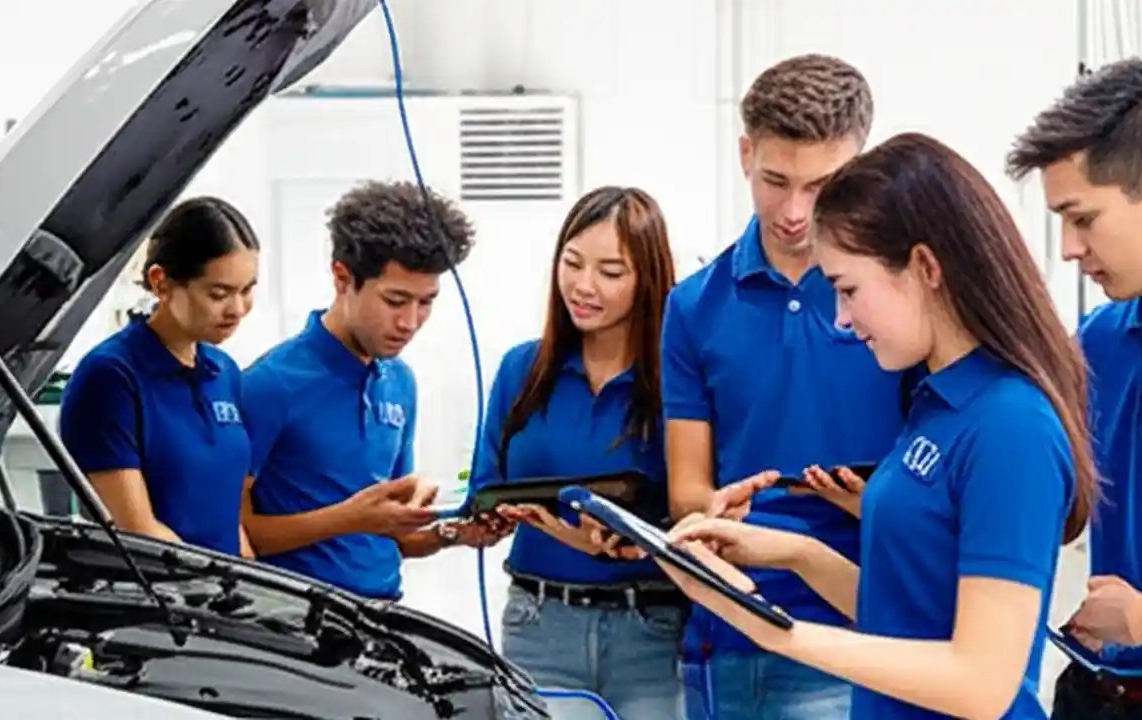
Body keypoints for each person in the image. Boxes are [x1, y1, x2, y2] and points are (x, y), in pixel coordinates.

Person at [657, 132, 1097, 720]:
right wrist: (793, 553)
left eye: (848, 289)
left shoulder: (1010, 427)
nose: (841, 317)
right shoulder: (936, 404)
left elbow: (983, 683)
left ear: (924, 268)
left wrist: (771, 629)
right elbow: (906, 616)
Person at [659, 53, 912, 718]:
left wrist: (879, 499)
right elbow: (687, 487)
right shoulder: (693, 308)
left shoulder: (907, 303)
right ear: (745, 153)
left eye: (820, 185)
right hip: (730, 627)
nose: (795, 211)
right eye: (775, 180)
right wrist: (718, 504)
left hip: (862, 632)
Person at [1006, 57, 1142, 718]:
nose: (1066, 247)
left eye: (1082, 218)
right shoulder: (1096, 342)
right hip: (1094, 693)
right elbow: (1066, 511)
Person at [240, 180, 511, 600]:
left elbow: (392, 537)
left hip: (382, 617)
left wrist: (454, 532)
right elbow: (237, 538)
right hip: (297, 625)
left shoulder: (400, 382)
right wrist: (349, 519)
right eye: (395, 300)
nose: (410, 321)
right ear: (342, 278)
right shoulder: (269, 385)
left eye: (426, 302)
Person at [470, 186, 683, 718]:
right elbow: (482, 490)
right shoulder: (522, 370)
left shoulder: (677, 381)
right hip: (540, 627)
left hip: (652, 632)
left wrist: (626, 540)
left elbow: (698, 507)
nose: (584, 286)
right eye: (572, 263)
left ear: (648, 280)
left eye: (611, 273)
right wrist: (475, 522)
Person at [58, 196, 261, 557]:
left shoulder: (224, 372)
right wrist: (218, 590)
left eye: (247, 290)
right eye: (219, 293)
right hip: (159, 594)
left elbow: (228, 518)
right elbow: (137, 530)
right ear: (161, 282)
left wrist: (258, 588)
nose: (238, 309)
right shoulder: (110, 378)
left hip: (226, 594)